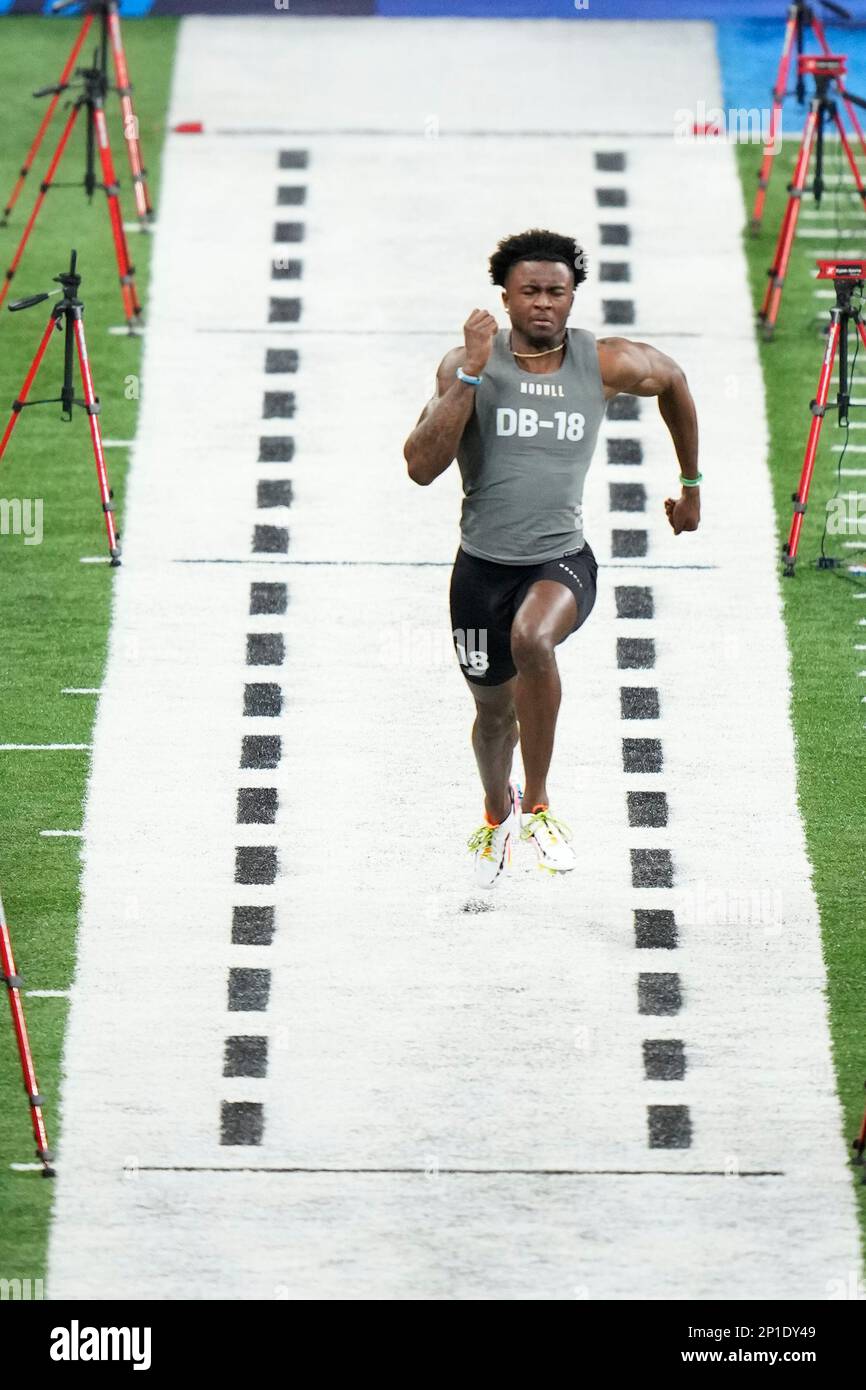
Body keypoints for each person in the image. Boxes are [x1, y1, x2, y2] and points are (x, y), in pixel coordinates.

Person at [403, 229, 700, 887]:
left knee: (534, 640)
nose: (543, 304)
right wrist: (473, 375)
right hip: (479, 572)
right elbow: (420, 466)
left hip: (561, 561)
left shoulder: (603, 362)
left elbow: (673, 379)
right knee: (492, 716)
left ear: (572, 298)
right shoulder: (466, 364)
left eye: (556, 292)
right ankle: (497, 809)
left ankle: (538, 804)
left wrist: (692, 486)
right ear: (504, 298)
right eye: (530, 291)